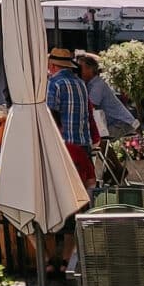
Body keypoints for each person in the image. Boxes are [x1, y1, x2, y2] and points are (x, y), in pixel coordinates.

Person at [45, 49, 96, 190]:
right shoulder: (81, 83)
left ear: (53, 66)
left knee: (67, 193)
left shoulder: (53, 83)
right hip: (84, 143)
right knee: (85, 191)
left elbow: (51, 116)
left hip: (65, 147)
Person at [76, 52, 140, 137]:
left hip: (121, 123)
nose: (78, 72)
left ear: (90, 69)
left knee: (93, 138)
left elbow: (90, 106)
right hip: (115, 123)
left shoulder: (98, 84)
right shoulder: (90, 84)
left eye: (80, 68)